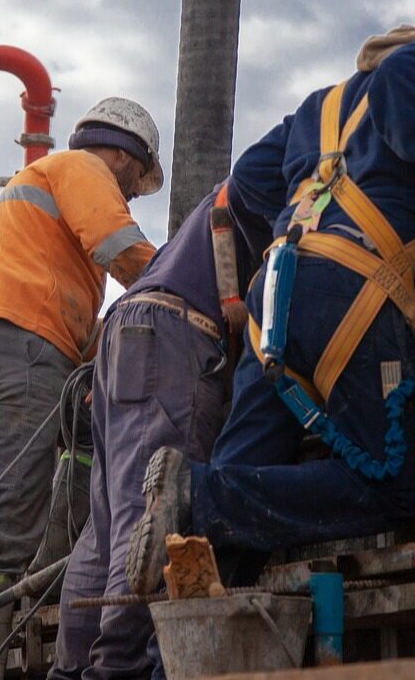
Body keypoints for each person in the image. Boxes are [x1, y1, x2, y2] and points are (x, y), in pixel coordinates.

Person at [125, 0, 415, 595]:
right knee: (392, 483)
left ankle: (177, 642)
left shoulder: (322, 106)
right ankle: (199, 494)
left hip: (275, 296)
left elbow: (249, 181)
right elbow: (404, 84)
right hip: (351, 292)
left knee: (239, 483)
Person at [0, 97, 163, 680]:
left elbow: (80, 319)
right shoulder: (84, 170)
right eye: (137, 183)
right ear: (123, 154)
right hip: (20, 345)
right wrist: (180, 286)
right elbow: (122, 249)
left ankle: (56, 572)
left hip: (9, 342)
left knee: (73, 459)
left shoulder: (49, 199)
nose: (133, 195)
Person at [48, 179, 272, 680]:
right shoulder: (297, 192)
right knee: (148, 519)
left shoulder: (191, 237)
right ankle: (115, 671)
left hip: (122, 334)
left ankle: (70, 672)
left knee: (105, 532)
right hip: (173, 337)